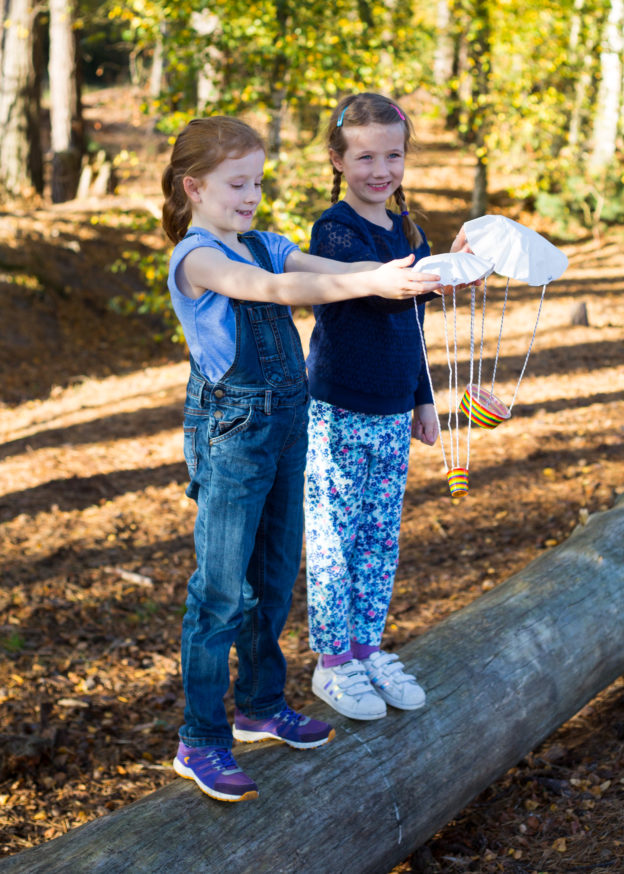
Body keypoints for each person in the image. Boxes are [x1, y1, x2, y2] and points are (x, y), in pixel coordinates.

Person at [161, 115, 442, 802]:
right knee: (221, 591)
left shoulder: (262, 241)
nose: (251, 195)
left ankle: (260, 706)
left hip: (290, 424)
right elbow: (279, 291)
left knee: (275, 574)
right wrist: (367, 286)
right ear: (193, 187)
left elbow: (324, 268)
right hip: (234, 434)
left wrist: (401, 273)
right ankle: (200, 740)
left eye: (257, 181)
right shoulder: (198, 258)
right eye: (236, 183)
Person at [305, 93, 469, 720]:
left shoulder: (408, 230)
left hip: (396, 411)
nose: (381, 170)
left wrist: (423, 399)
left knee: (379, 537)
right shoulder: (335, 231)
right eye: (365, 156)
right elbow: (385, 299)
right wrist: (441, 273)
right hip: (341, 409)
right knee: (333, 539)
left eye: (393, 156)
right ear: (339, 160)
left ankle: (368, 647)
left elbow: (412, 328)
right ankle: (333, 661)